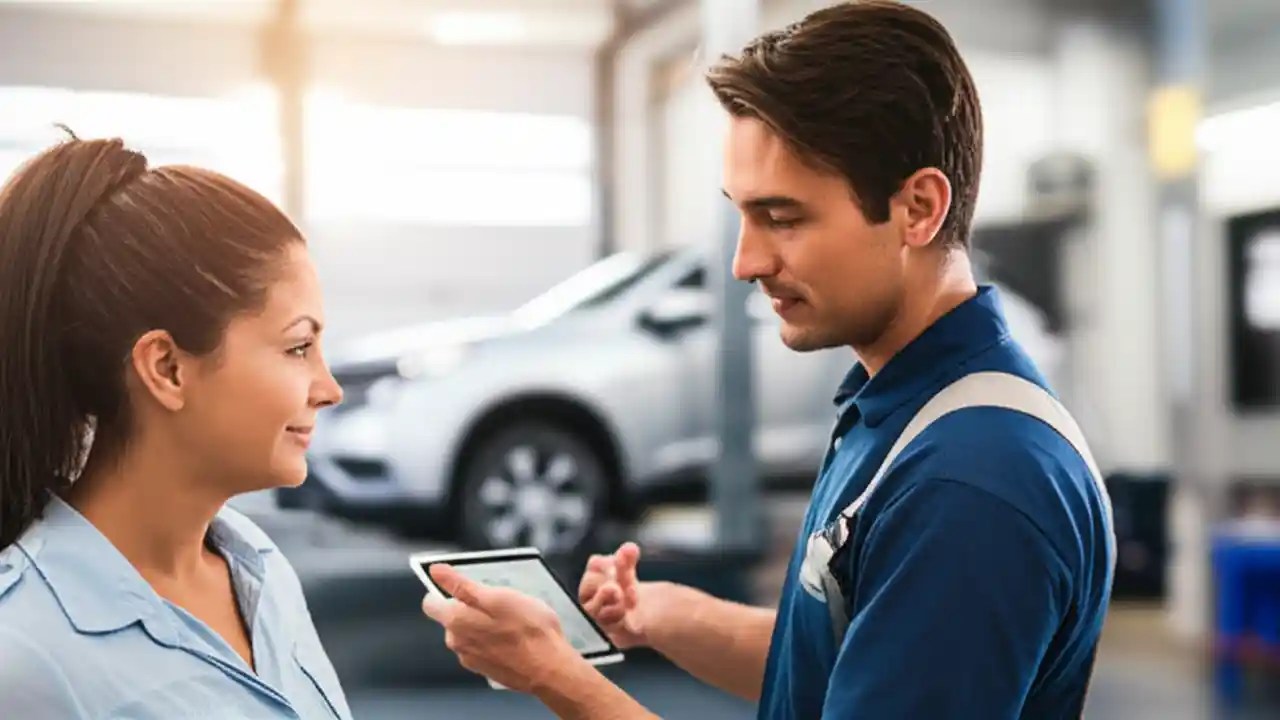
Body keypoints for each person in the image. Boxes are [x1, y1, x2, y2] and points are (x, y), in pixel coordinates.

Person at [421, 1, 1115, 718]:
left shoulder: (970, 484)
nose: (745, 263)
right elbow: (845, 660)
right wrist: (662, 614)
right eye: (742, 215)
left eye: (782, 219)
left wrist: (554, 676)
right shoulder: (901, 406)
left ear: (917, 209)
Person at [0, 134, 352, 719]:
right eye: (298, 347)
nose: (329, 388)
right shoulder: (24, 655)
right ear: (166, 368)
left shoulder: (261, 573)